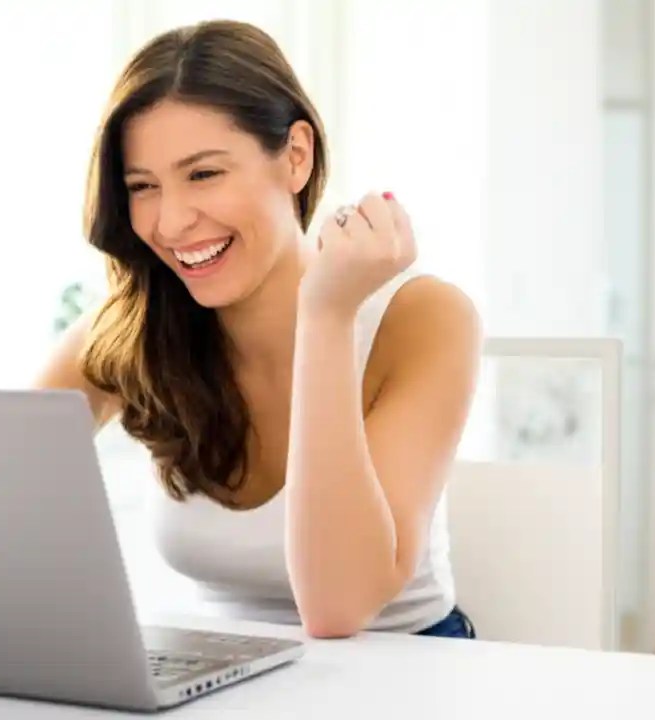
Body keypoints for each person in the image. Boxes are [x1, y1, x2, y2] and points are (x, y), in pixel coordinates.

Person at [35, 19, 481, 640]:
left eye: (203, 174)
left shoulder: (424, 318)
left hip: (402, 664)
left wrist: (326, 316)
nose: (171, 222)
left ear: (296, 156)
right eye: (143, 186)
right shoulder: (129, 333)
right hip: (222, 670)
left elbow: (338, 608)